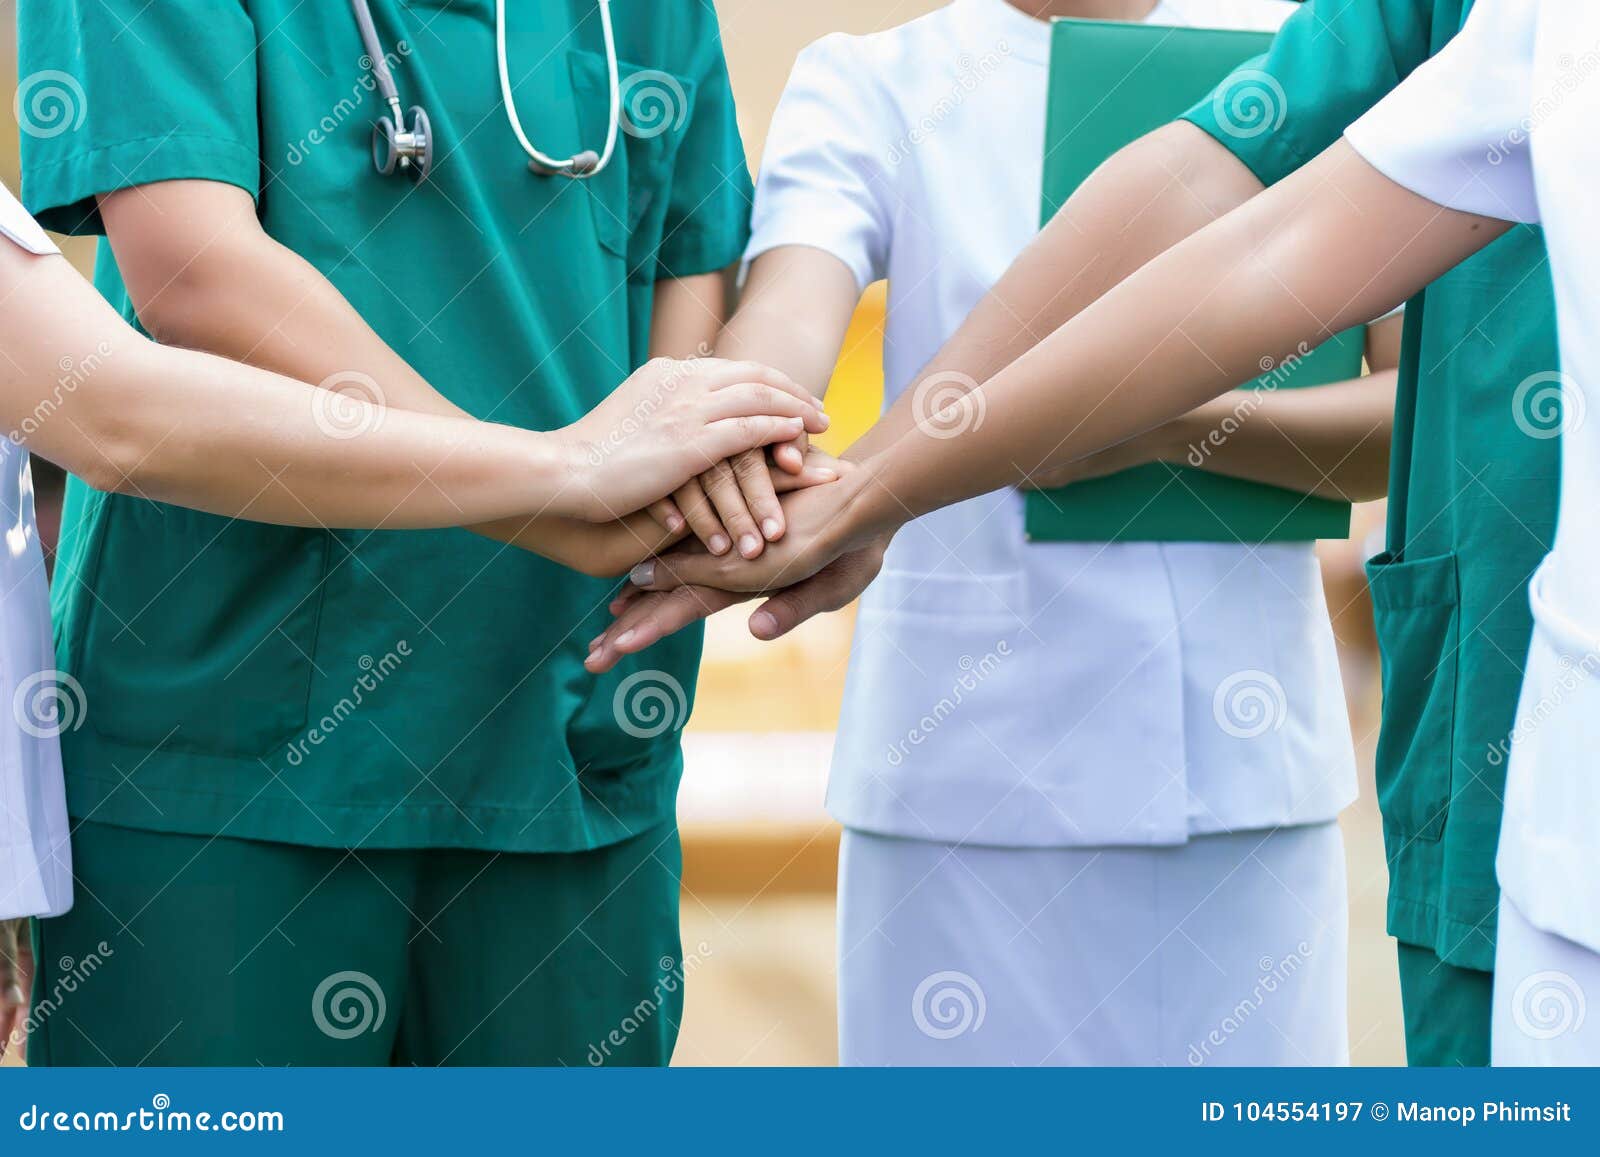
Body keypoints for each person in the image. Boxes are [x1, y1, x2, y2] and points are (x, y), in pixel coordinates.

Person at [603, 0, 1600, 1072]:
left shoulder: (1308, 46)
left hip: (1243, 761)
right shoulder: (880, 79)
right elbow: (792, 319)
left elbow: (1391, 386)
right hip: (968, 755)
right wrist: (776, 453)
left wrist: (1163, 431)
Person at [15, 0, 786, 1065]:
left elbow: (683, 289)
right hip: (234, 744)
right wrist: (550, 492)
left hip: (566, 727)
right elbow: (194, 272)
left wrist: (701, 496)